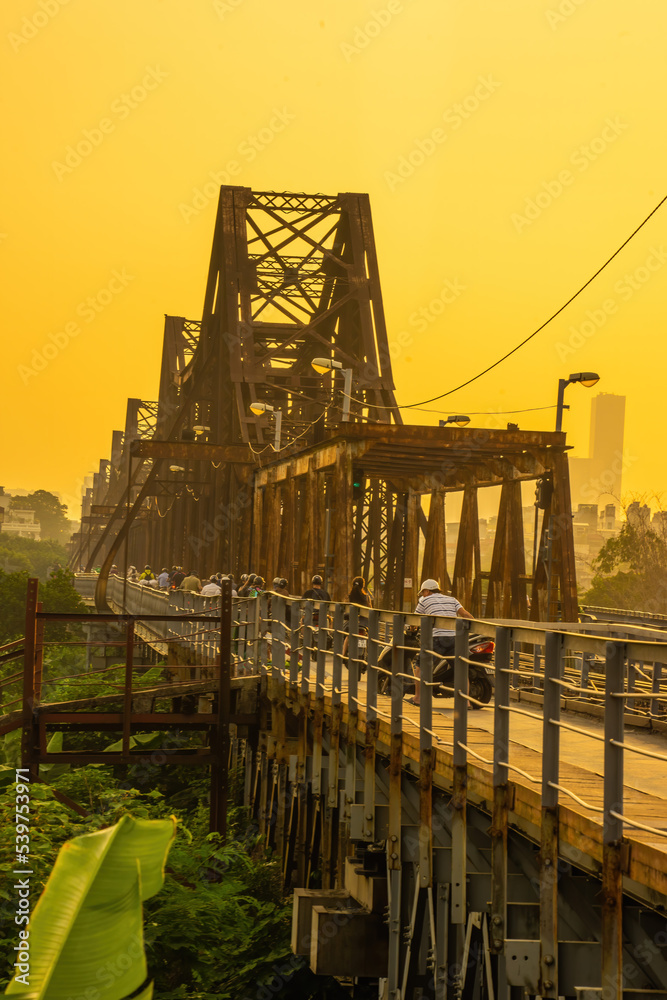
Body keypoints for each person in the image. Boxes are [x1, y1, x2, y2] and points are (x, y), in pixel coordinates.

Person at [409, 579, 473, 706]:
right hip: (454, 638)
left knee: (420, 667)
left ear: (427, 591)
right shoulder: (452, 599)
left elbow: (414, 620)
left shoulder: (424, 601)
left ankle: (418, 698)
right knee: (461, 670)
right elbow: (465, 614)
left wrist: (412, 627)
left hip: (436, 638)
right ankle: (466, 702)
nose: (422, 595)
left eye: (423, 592)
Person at [342, 575, 372, 658]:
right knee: (368, 636)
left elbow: (345, 609)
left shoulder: (349, 597)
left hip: (352, 622)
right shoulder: (366, 597)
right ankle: (371, 656)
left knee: (348, 636)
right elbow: (370, 609)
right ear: (363, 585)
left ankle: (343, 654)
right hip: (364, 623)